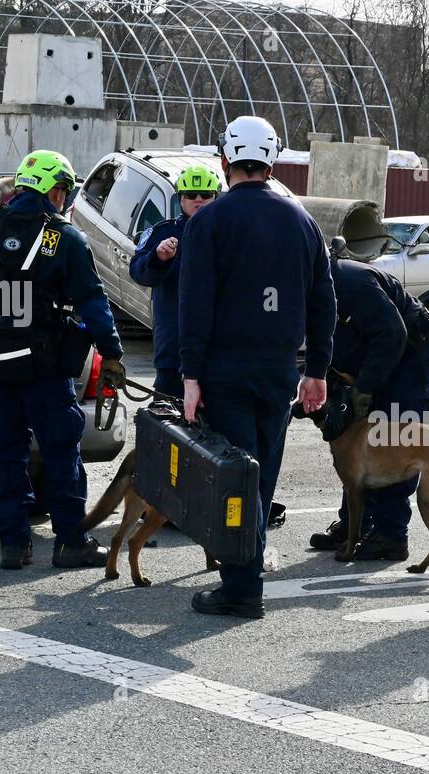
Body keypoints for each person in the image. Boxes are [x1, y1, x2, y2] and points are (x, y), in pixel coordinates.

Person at [0, 149, 125, 571]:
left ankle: (13, 547)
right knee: (60, 451)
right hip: (46, 367)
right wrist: (111, 352)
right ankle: (71, 543)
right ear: (57, 191)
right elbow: (92, 301)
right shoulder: (65, 238)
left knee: (7, 454)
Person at [177, 116, 335, 618]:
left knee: (234, 476)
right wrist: (318, 371)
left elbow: (194, 306)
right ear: (272, 162)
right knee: (261, 473)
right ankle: (249, 571)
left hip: (225, 371)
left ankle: (242, 586)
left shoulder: (209, 221)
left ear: (225, 162)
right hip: (278, 370)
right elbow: (323, 303)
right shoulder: (302, 220)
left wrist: (190, 376)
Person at [308, 248, 429, 560]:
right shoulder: (315, 285)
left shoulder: (350, 281)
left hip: (412, 355)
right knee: (357, 443)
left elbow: (392, 334)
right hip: (375, 358)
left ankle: (390, 534)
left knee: (395, 441)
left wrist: (365, 389)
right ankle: (354, 526)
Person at [129, 165, 221, 399]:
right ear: (181, 199)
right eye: (191, 195)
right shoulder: (161, 233)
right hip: (173, 352)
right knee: (166, 423)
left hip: (219, 353)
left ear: (216, 197)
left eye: (205, 195)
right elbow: (138, 272)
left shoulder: (230, 234)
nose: (198, 200)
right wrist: (157, 258)